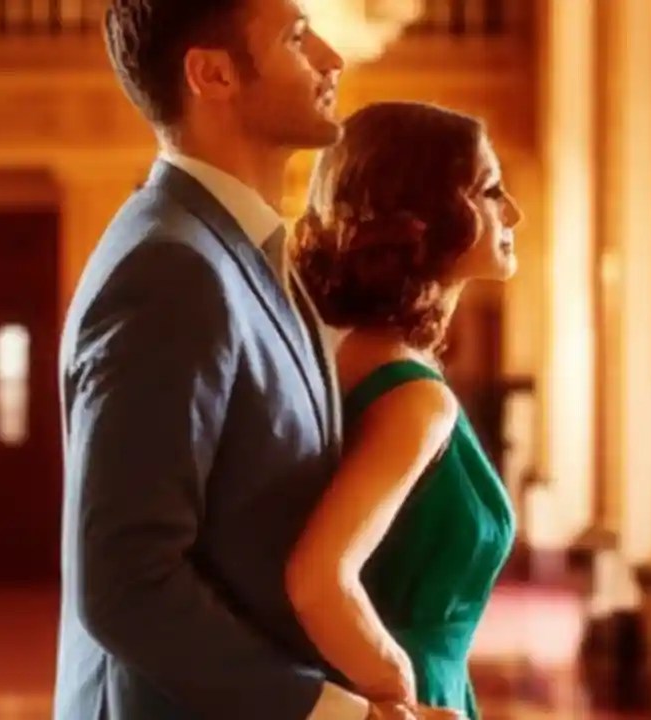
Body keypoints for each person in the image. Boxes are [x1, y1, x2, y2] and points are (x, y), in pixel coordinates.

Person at [53, 1, 453, 718]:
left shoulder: (237, 250)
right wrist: (335, 715)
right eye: (297, 39)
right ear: (212, 75)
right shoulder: (170, 268)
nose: (332, 58)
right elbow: (126, 584)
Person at [285, 102, 524, 720]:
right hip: (406, 694)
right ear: (425, 218)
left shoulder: (360, 355)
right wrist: (397, 687)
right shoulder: (413, 397)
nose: (513, 213)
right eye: (491, 190)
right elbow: (317, 577)